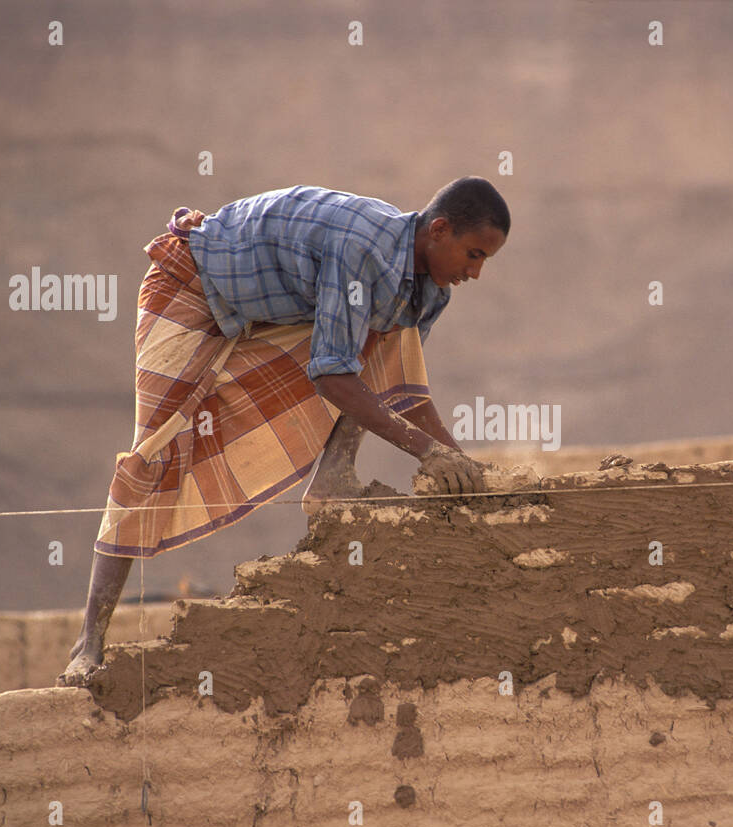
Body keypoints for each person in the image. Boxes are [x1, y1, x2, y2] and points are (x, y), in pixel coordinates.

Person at [56, 177, 509, 686]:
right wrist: (428, 453)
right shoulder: (363, 248)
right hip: (194, 289)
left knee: (385, 342)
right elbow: (332, 375)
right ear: (439, 229)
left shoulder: (431, 292)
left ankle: (334, 478)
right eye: (472, 255)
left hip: (271, 314)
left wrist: (460, 463)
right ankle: (89, 643)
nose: (475, 272)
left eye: (484, 261)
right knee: (155, 456)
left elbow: (403, 385)